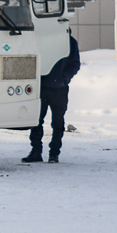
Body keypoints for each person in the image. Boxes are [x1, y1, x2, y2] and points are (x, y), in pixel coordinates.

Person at [23, 34, 80, 163]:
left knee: (46, 122)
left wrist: (63, 78)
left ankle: (42, 152)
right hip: (54, 87)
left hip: (48, 86)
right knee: (48, 122)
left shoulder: (44, 39)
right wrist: (64, 78)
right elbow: (75, 64)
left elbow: (75, 64)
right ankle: (50, 153)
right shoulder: (68, 41)